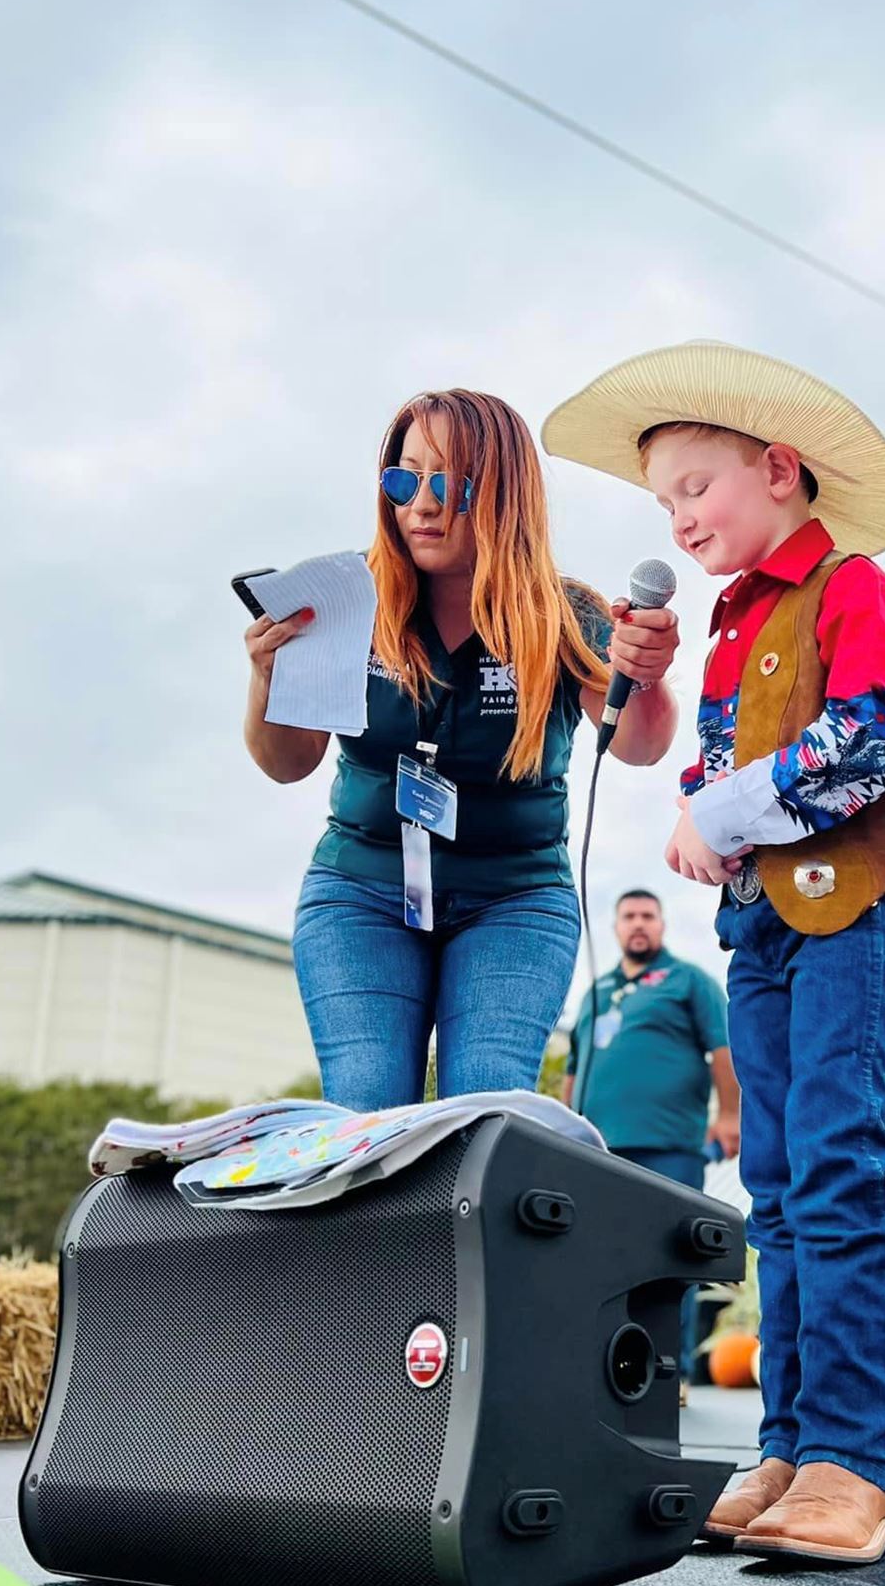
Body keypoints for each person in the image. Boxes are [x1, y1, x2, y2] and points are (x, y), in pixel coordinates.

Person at [543, 342, 885, 1566]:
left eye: (697, 487)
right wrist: (716, 822)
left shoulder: (854, 590)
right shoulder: (730, 628)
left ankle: (859, 1460)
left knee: (836, 1168)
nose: (679, 515)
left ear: (780, 471)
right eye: (665, 500)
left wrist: (720, 815)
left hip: (851, 917)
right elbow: (729, 769)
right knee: (774, 1186)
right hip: (764, 928)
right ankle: (792, 1439)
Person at [243, 389, 679, 1109]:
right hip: (361, 888)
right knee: (365, 1112)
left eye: (447, 483)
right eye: (402, 480)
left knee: (485, 1108)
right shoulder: (348, 598)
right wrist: (267, 677)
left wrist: (649, 676)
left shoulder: (569, 613)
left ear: (505, 493)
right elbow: (287, 762)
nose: (420, 503)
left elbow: (639, 745)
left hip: (514, 896)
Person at [562, 887, 740, 1397]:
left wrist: (730, 1116)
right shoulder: (596, 992)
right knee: (598, 1260)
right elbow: (574, 1071)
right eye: (629, 916)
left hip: (671, 1144)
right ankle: (601, 1372)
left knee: (668, 1257)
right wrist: (562, 1129)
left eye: (648, 916)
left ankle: (668, 1374)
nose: (638, 924)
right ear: (616, 927)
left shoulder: (688, 982)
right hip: (598, 1148)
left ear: (661, 925)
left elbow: (724, 1050)